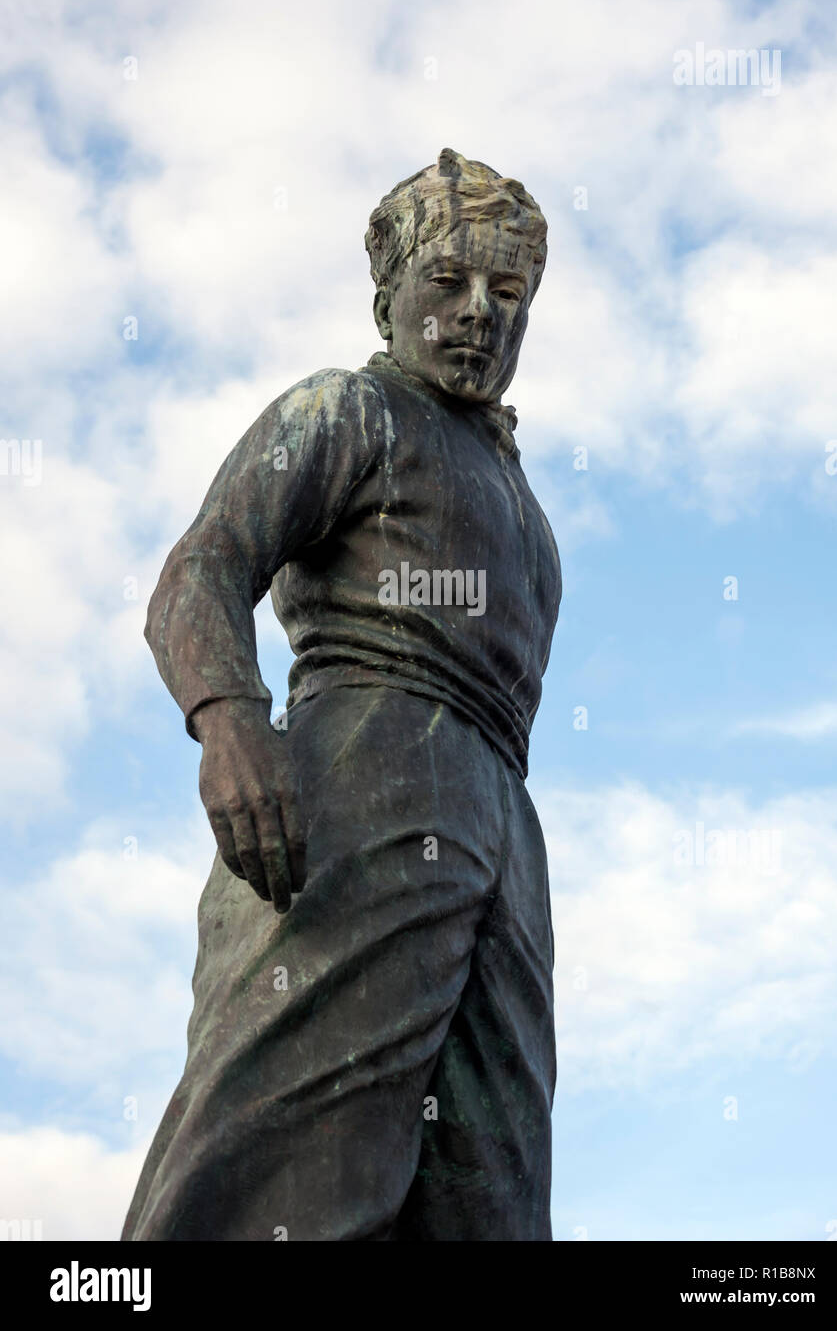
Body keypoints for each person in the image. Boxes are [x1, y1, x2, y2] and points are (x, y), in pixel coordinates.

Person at [121, 149, 562, 1241]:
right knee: (277, 1142)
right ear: (389, 293)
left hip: (501, 830)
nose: (477, 314)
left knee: (490, 1180)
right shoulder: (348, 408)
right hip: (353, 788)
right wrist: (228, 721)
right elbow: (203, 567)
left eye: (506, 294)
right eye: (449, 282)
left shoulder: (527, 509)